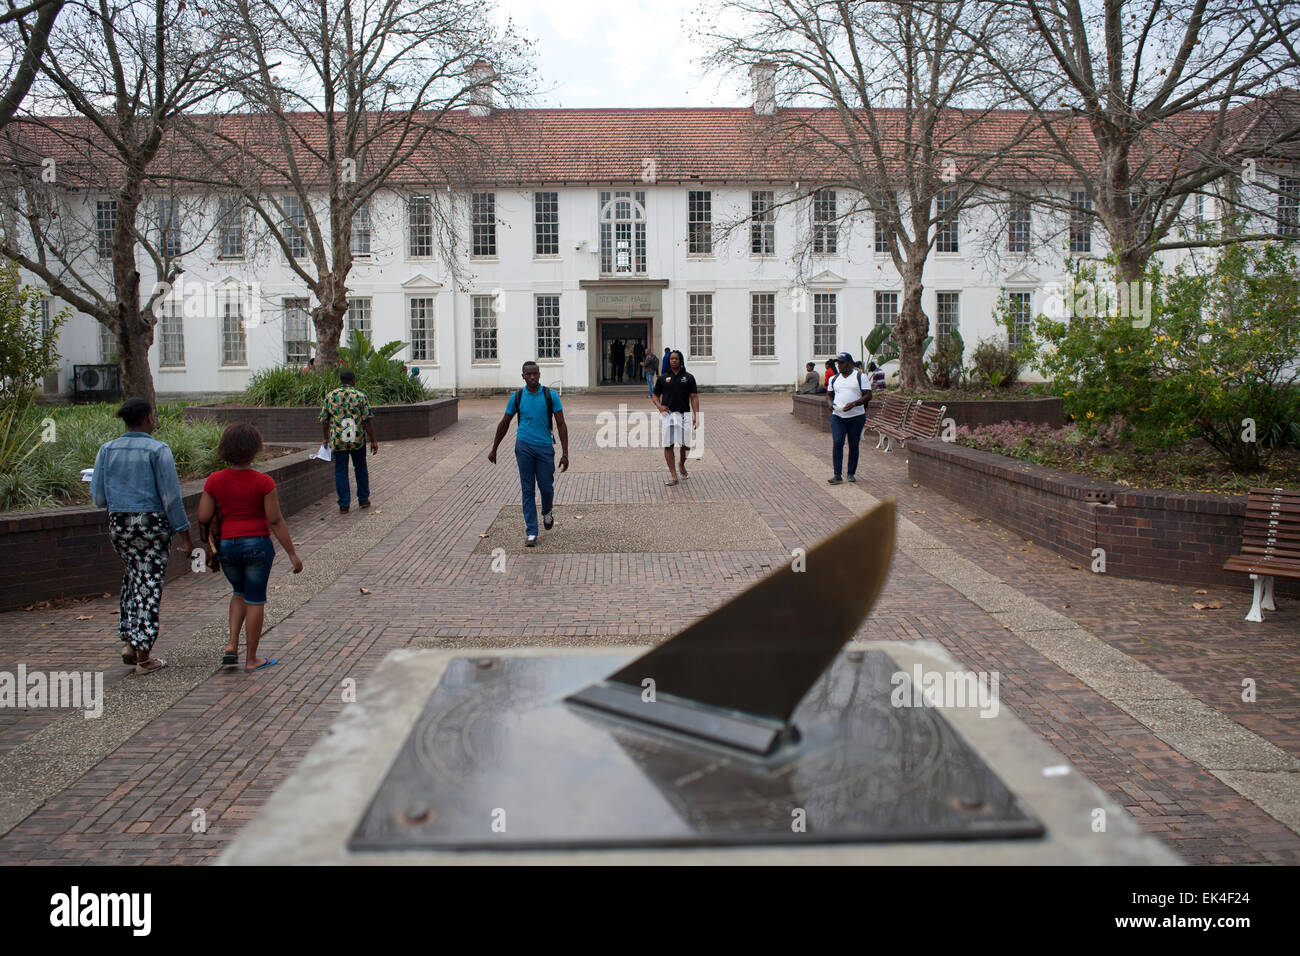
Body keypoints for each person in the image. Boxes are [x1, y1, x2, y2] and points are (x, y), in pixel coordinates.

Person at [90, 397, 195, 675]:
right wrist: (184, 534)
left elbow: (99, 497)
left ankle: (128, 640)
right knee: (149, 583)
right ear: (147, 418)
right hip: (151, 524)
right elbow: (171, 497)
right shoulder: (158, 450)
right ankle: (144, 654)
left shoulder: (107, 449)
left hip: (119, 524)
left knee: (132, 578)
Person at [199, 424, 303, 672]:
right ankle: (252, 658)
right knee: (256, 599)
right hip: (257, 544)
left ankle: (231, 645)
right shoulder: (263, 482)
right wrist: (292, 553)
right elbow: (275, 520)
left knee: (238, 593)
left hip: (227, 546)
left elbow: (203, 515)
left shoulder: (214, 480)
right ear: (255, 449)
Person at [488, 360, 571, 547]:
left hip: (544, 448)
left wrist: (565, 453)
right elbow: (505, 423)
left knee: (546, 488)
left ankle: (547, 511)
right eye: (528, 374)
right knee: (527, 490)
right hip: (523, 447)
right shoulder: (517, 397)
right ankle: (532, 531)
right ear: (523, 376)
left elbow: (561, 424)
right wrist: (494, 449)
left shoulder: (551, 396)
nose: (532, 377)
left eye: (535, 373)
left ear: (540, 375)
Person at [320, 369, 379, 513]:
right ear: (353, 380)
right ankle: (363, 499)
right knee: (360, 468)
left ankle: (344, 504)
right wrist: (373, 440)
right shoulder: (360, 396)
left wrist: (326, 437)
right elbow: (367, 421)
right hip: (356, 439)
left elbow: (325, 420)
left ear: (341, 381)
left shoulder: (331, 396)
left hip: (338, 440)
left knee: (341, 471)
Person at [652, 350, 699, 486]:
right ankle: (673, 476)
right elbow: (655, 395)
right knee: (668, 445)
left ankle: (681, 464)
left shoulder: (689, 377)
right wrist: (659, 406)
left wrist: (696, 414)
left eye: (676, 358)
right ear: (669, 361)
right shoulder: (663, 378)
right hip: (668, 415)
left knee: (686, 445)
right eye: (671, 358)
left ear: (681, 360)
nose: (673, 360)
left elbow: (694, 397)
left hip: (684, 415)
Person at [827, 351, 871, 484]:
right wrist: (830, 404)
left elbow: (868, 395)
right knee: (838, 442)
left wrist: (854, 404)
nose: (839, 365)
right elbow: (829, 395)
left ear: (850, 363)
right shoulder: (834, 379)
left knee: (853, 444)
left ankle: (851, 473)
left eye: (842, 362)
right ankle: (837, 474)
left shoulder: (860, 377)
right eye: (838, 363)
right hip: (838, 416)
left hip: (856, 416)